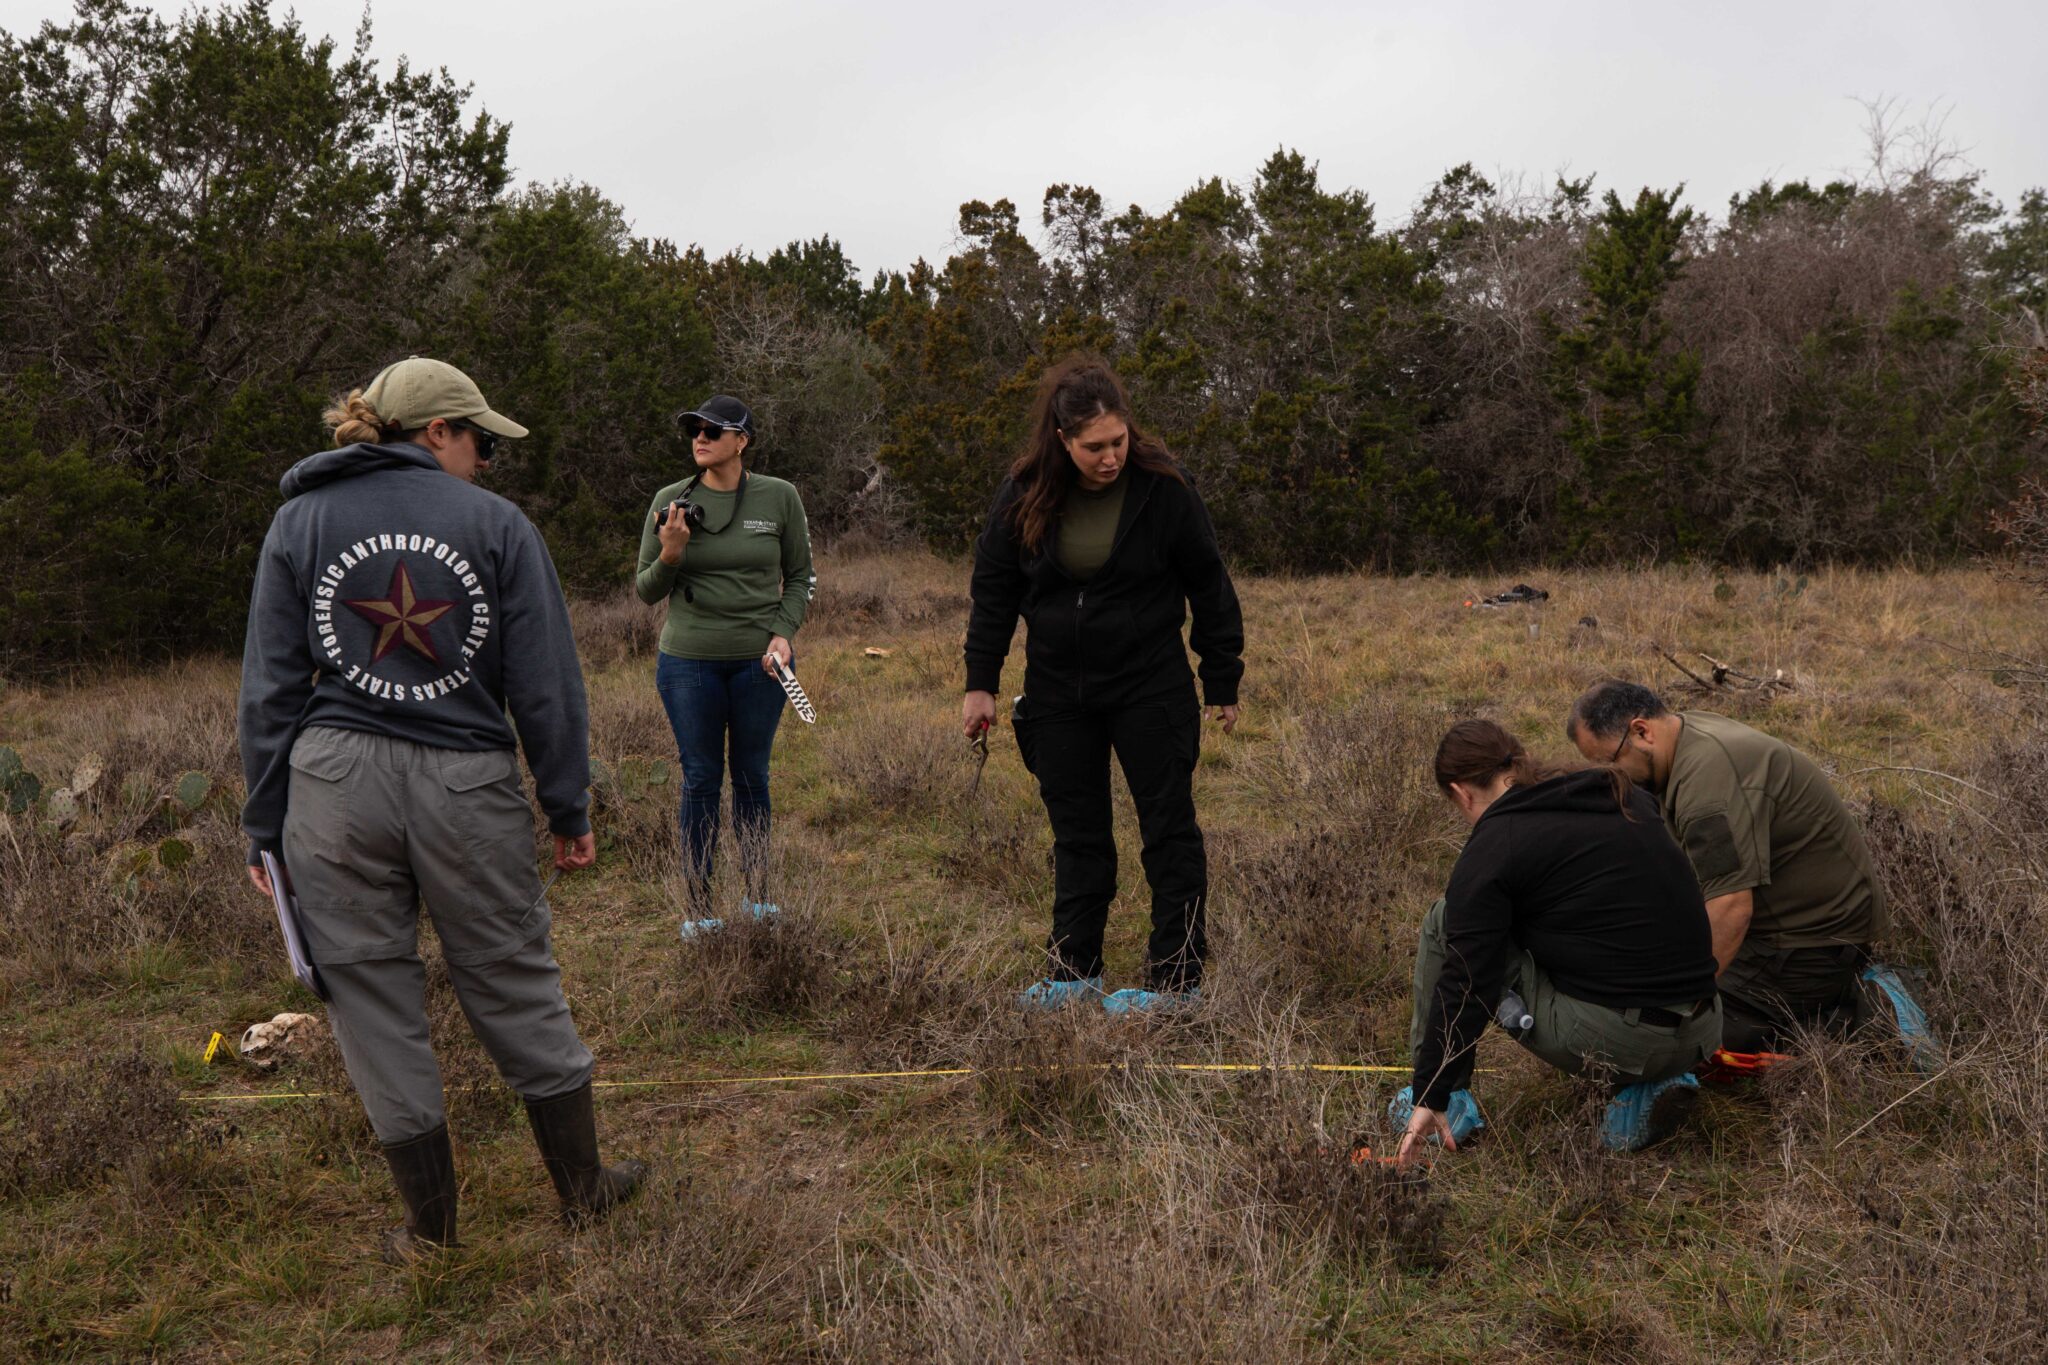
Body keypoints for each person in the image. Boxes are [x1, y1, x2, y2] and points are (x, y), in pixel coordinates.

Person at [238, 356, 644, 1260]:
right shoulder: (497, 525)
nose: (488, 463)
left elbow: (269, 688)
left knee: (370, 993)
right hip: (466, 781)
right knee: (511, 974)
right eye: (480, 442)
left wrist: (263, 828)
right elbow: (546, 684)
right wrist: (567, 805)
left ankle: (431, 1232)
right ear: (436, 433)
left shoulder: (297, 522)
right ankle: (582, 1191)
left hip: (331, 787)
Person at [962, 355, 1244, 1013]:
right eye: (1094, 447)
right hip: (1059, 691)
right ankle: (1073, 969)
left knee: (1168, 830)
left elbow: (1210, 581)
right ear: (1063, 440)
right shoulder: (1025, 491)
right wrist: (982, 683)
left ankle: (1175, 980)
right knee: (1077, 832)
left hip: (1152, 685)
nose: (1110, 456)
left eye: (1118, 441)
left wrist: (1221, 676)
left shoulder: (1164, 486)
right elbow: (994, 592)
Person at [1395, 720, 1723, 1164]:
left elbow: (1466, 980)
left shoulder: (1495, 845)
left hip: (1624, 1040)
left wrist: (1430, 1087)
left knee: (1444, 921)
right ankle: (1649, 1087)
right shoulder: (1615, 792)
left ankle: (1445, 1107)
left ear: (1460, 793)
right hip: (1705, 1025)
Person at [1565, 680, 1936, 1063]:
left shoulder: (1707, 781)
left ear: (1642, 731)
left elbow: (1731, 907)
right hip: (1785, 924)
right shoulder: (1683, 736)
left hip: (1808, 942)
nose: (1614, 779)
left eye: (1610, 763)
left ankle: (1874, 1017)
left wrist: (1677, 1004)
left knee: (1683, 1040)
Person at [635, 394, 814, 937]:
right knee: (701, 779)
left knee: (753, 777)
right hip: (690, 665)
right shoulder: (670, 502)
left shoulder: (779, 498)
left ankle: (760, 899)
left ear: (743, 440)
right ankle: (700, 909)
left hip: (761, 665)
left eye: (714, 429)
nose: (701, 437)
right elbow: (645, 591)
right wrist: (670, 552)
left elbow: (801, 576)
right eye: (694, 428)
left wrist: (783, 634)